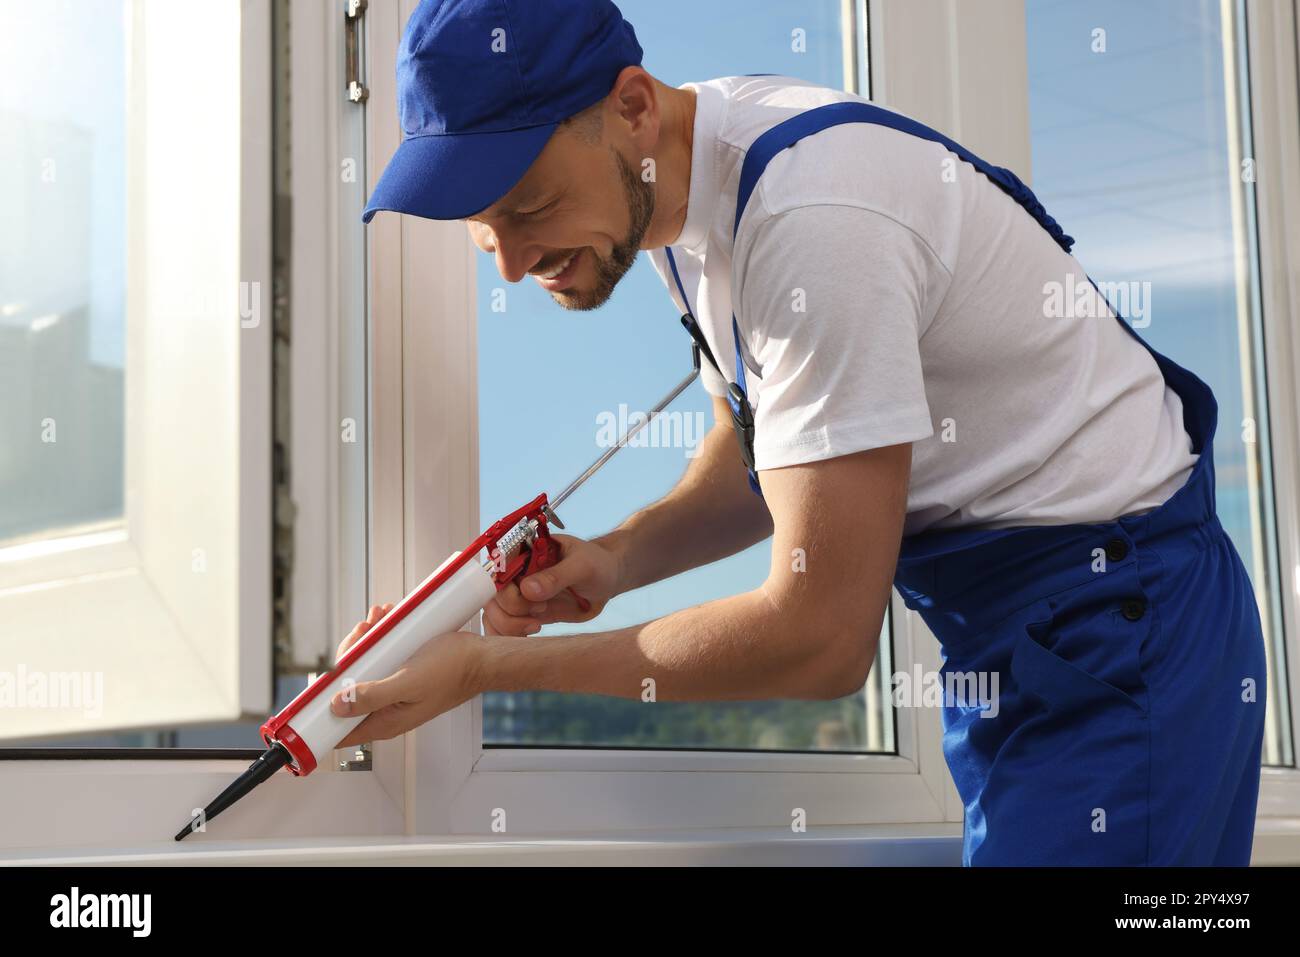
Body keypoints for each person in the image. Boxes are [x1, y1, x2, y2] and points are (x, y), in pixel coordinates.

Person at [343, 0, 1267, 865]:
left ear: (630, 107)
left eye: (529, 207)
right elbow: (761, 459)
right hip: (1026, 634)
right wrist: (616, 558)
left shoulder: (811, 219)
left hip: (1125, 626)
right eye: (478, 225)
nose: (508, 265)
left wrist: (484, 670)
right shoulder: (676, 203)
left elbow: (820, 638)